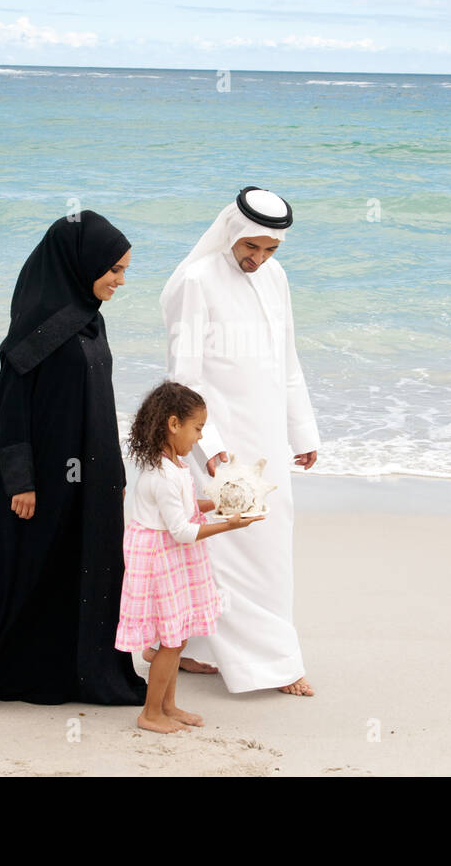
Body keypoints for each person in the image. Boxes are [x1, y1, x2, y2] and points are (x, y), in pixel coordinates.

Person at [0, 210, 145, 707]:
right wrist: (21, 483)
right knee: (28, 569)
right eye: (114, 270)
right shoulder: (41, 328)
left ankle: (70, 671)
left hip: (87, 475)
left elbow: (101, 402)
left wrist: (114, 473)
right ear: (82, 264)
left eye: (124, 271)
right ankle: (6, 672)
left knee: (77, 566)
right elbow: (11, 410)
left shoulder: (89, 321)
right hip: (40, 480)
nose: (121, 281)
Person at [151, 187, 320, 697]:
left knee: (271, 539)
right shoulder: (198, 281)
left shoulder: (277, 277)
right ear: (231, 233)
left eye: (270, 250)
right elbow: (185, 377)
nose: (258, 258)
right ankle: (275, 663)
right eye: (252, 247)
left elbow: (286, 360)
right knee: (234, 543)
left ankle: (194, 648)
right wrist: (210, 446)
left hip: (268, 434)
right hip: (217, 439)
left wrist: (302, 430)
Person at [116, 380, 265, 733]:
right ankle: (150, 714)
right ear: (172, 424)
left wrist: (219, 501)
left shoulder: (174, 464)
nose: (200, 438)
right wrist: (230, 525)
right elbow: (181, 530)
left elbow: (183, 508)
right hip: (159, 556)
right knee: (170, 640)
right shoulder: (163, 475)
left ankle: (168, 706)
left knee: (178, 635)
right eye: (197, 428)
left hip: (172, 552)